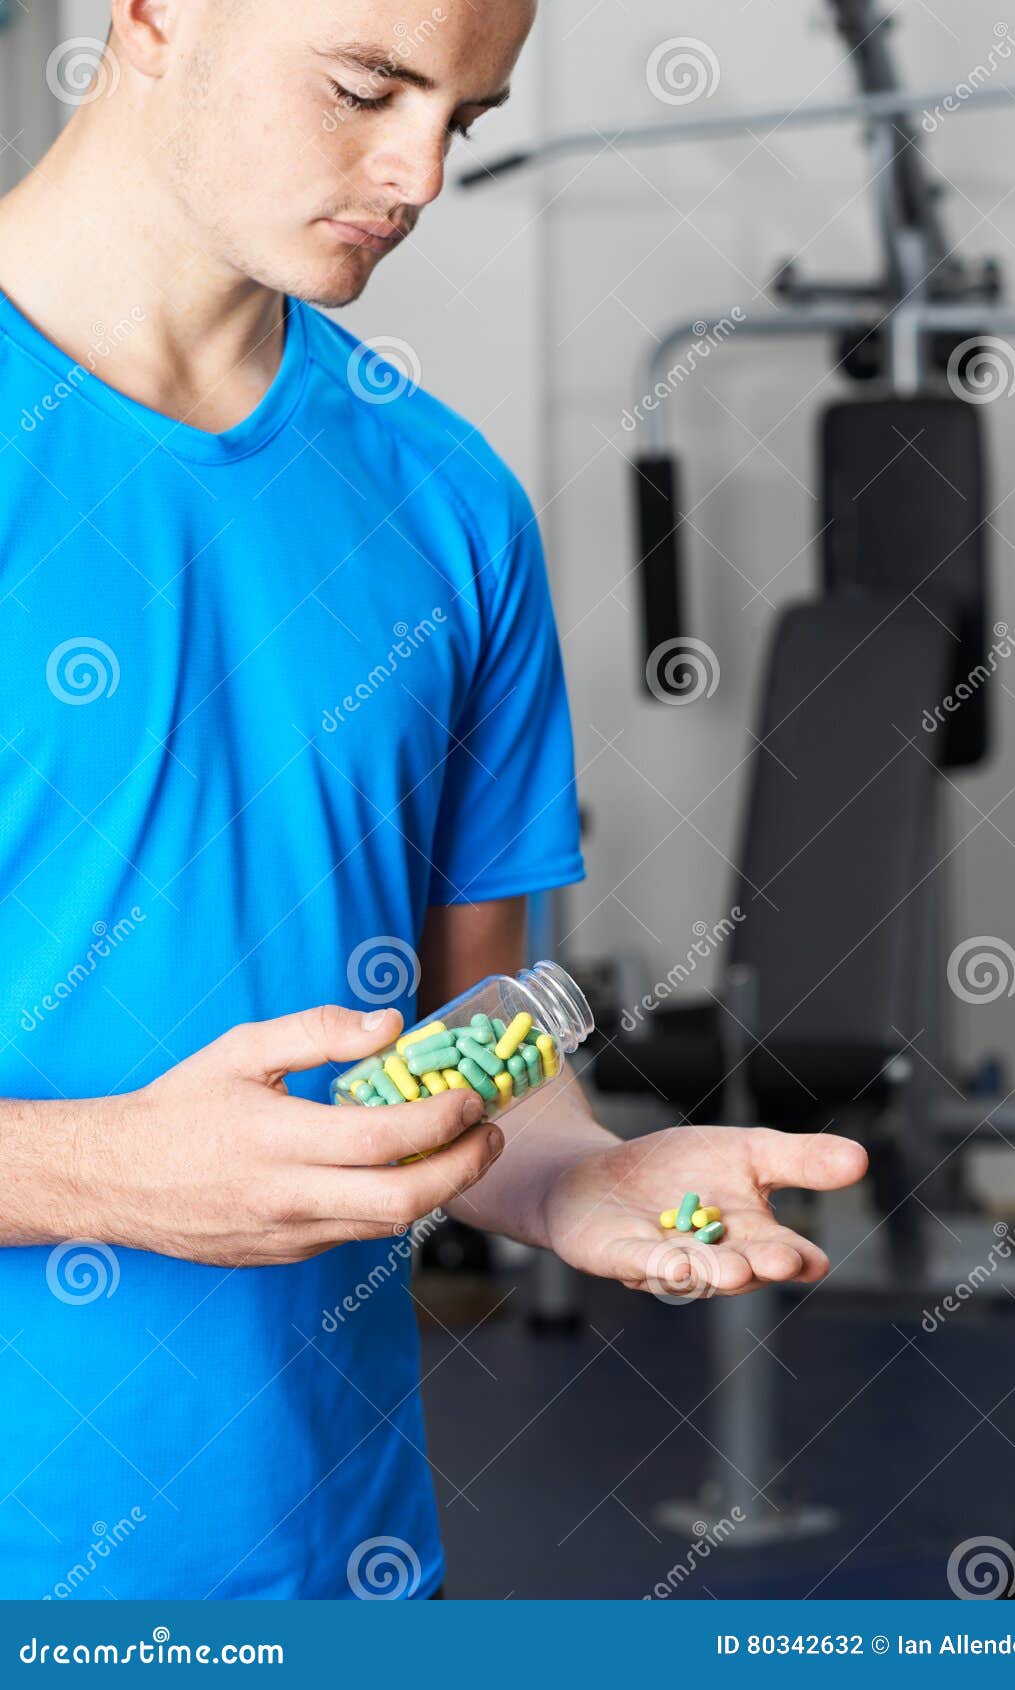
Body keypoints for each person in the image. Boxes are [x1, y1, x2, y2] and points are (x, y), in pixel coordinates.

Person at [0, 0, 867, 1600]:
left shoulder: (449, 504)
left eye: (459, 117)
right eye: (366, 87)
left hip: (334, 1561)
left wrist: (565, 1173)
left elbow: (474, 1032)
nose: (414, 172)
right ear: (149, 14)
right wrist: (88, 1172)